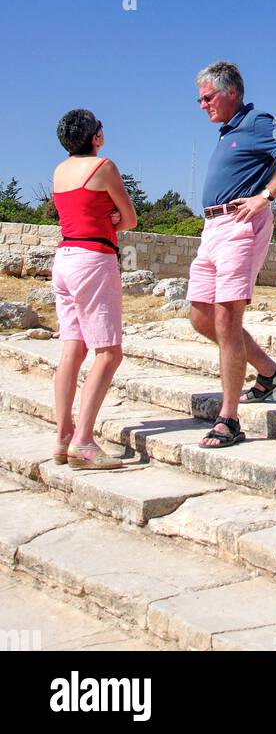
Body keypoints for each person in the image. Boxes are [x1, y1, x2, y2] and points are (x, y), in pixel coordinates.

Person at [189, 61, 276, 450]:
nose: (202, 105)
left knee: (227, 320)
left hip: (240, 226)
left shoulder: (259, 121)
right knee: (201, 317)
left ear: (231, 93)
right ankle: (270, 373)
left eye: (208, 97)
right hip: (212, 228)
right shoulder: (227, 132)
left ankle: (229, 419)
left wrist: (265, 197)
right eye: (200, 99)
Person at [51, 109, 137, 470]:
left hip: (64, 257)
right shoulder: (103, 168)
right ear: (96, 137)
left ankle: (63, 436)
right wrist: (112, 220)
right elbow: (129, 217)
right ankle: (84, 441)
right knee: (108, 353)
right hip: (92, 258)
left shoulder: (59, 171)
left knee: (73, 347)